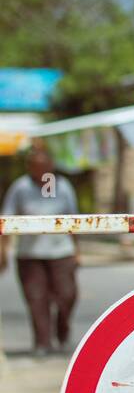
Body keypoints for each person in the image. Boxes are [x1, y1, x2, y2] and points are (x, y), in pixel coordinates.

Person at [0, 146, 80, 357]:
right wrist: (3, 251)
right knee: (36, 299)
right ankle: (42, 342)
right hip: (30, 255)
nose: (41, 171)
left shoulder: (62, 187)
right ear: (30, 167)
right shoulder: (20, 188)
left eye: (45, 167)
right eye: (37, 167)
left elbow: (76, 220)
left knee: (67, 294)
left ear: (51, 167)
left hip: (60, 252)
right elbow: (7, 220)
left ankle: (62, 328)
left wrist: (76, 250)